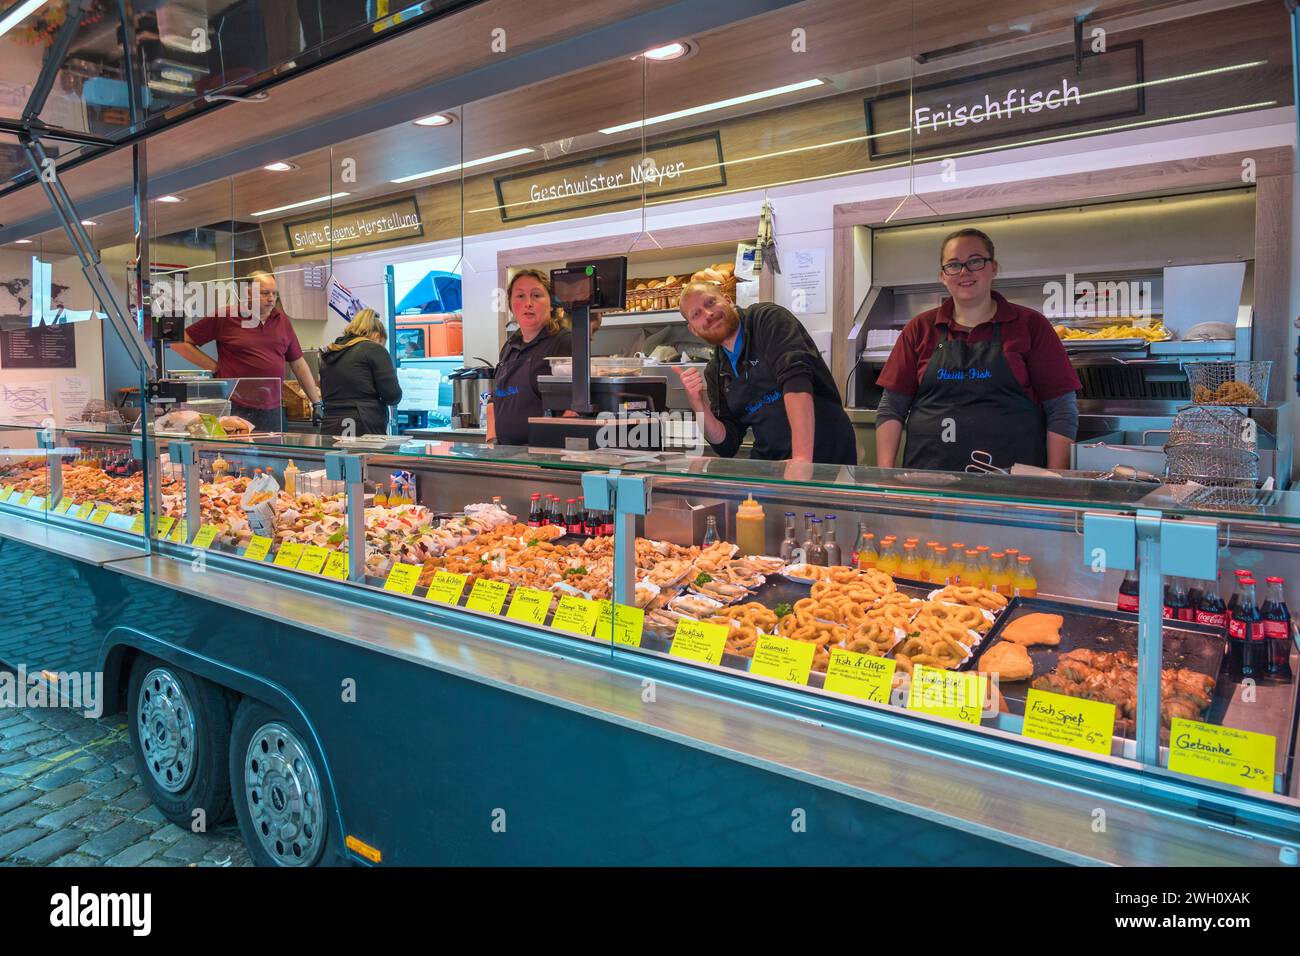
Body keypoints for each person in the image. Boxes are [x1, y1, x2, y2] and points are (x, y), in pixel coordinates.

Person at [874, 228, 1081, 472]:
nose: (964, 272)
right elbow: (892, 408)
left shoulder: (1031, 325)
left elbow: (1062, 409)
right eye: (953, 265)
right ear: (942, 275)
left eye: (975, 261)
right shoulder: (919, 328)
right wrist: (885, 474)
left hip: (1014, 486)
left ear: (994, 267)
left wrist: (1053, 479)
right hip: (930, 480)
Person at [674, 281, 856, 464]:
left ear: (728, 300)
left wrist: (801, 460)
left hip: (825, 456)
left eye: (710, 302)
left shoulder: (767, 319)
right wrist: (698, 404)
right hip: (773, 464)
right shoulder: (716, 370)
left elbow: (796, 380)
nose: (708, 314)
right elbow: (726, 444)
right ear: (693, 329)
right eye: (696, 314)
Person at [170, 270, 322, 432]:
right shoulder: (225, 316)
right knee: (235, 456)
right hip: (236, 407)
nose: (271, 298)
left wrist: (316, 402)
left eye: (274, 293)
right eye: (265, 293)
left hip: (274, 409)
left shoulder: (281, 320)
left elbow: (298, 364)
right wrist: (215, 367)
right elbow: (179, 342)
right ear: (248, 293)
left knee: (276, 455)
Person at [485, 268, 572, 445]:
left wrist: (550, 450)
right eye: (520, 296)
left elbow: (576, 407)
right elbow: (495, 401)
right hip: (506, 454)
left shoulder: (564, 342)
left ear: (552, 303)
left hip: (543, 456)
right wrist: (492, 441)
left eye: (536, 295)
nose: (528, 303)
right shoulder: (510, 345)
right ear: (510, 304)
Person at [318, 308, 402, 437]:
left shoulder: (330, 353)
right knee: (364, 458)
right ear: (377, 336)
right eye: (382, 343)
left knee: (335, 457)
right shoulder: (374, 349)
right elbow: (393, 395)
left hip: (330, 425)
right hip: (365, 426)